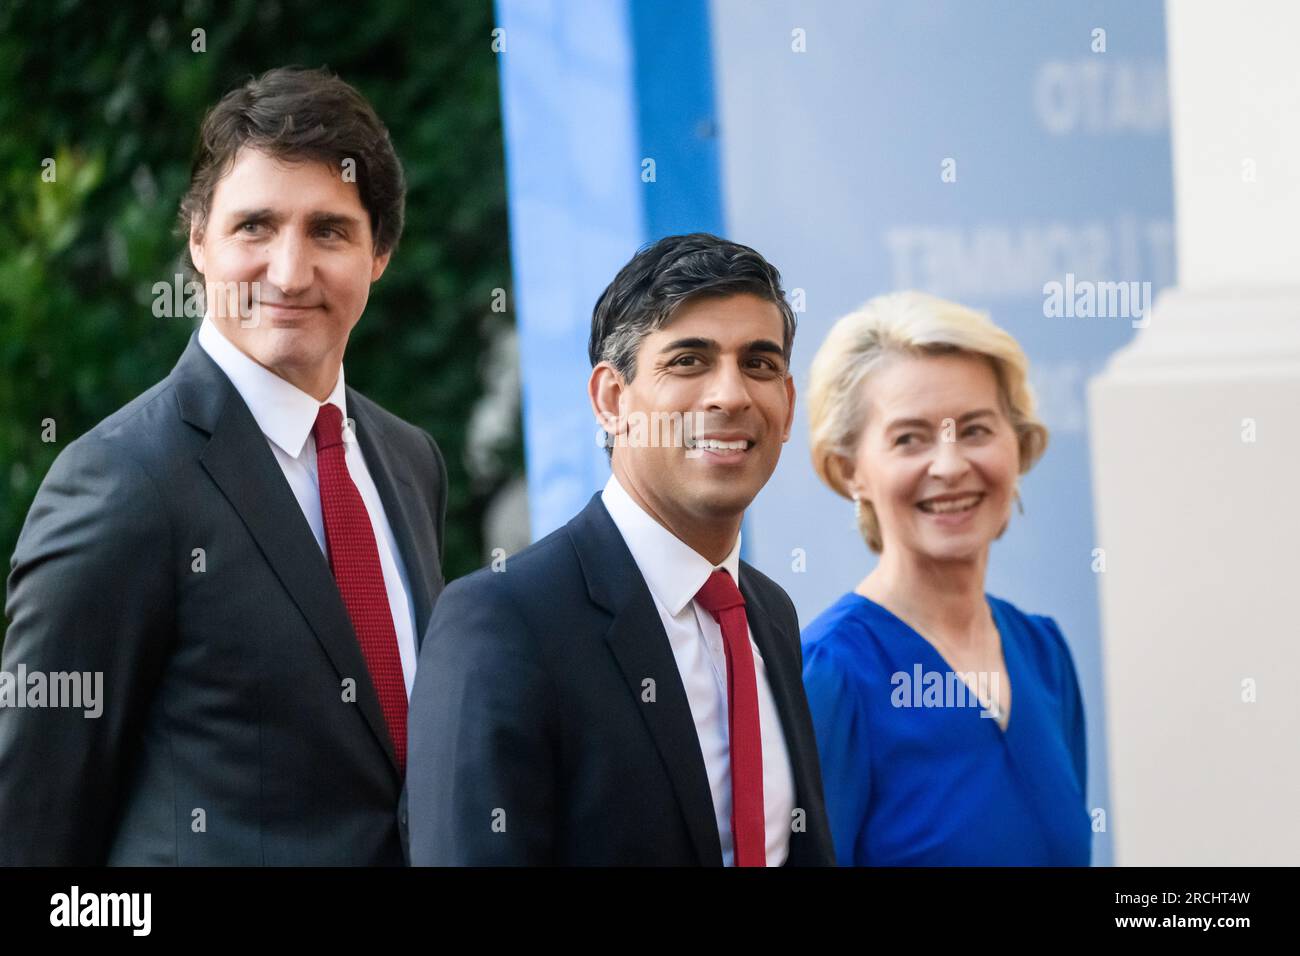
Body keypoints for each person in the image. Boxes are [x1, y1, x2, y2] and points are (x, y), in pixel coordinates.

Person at [0, 67, 448, 865]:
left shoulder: (410, 462)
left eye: (329, 231)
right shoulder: (122, 482)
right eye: (255, 227)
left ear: (379, 253)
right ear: (198, 241)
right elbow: (31, 825)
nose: (288, 271)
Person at [407, 233, 835, 865]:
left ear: (788, 405)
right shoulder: (502, 620)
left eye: (759, 364)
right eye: (689, 361)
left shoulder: (770, 616)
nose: (731, 395)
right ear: (612, 400)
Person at [801, 291, 1090, 866]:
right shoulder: (830, 673)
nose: (951, 465)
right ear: (850, 469)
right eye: (910, 437)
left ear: (1018, 444)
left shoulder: (1043, 652)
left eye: (977, 430)